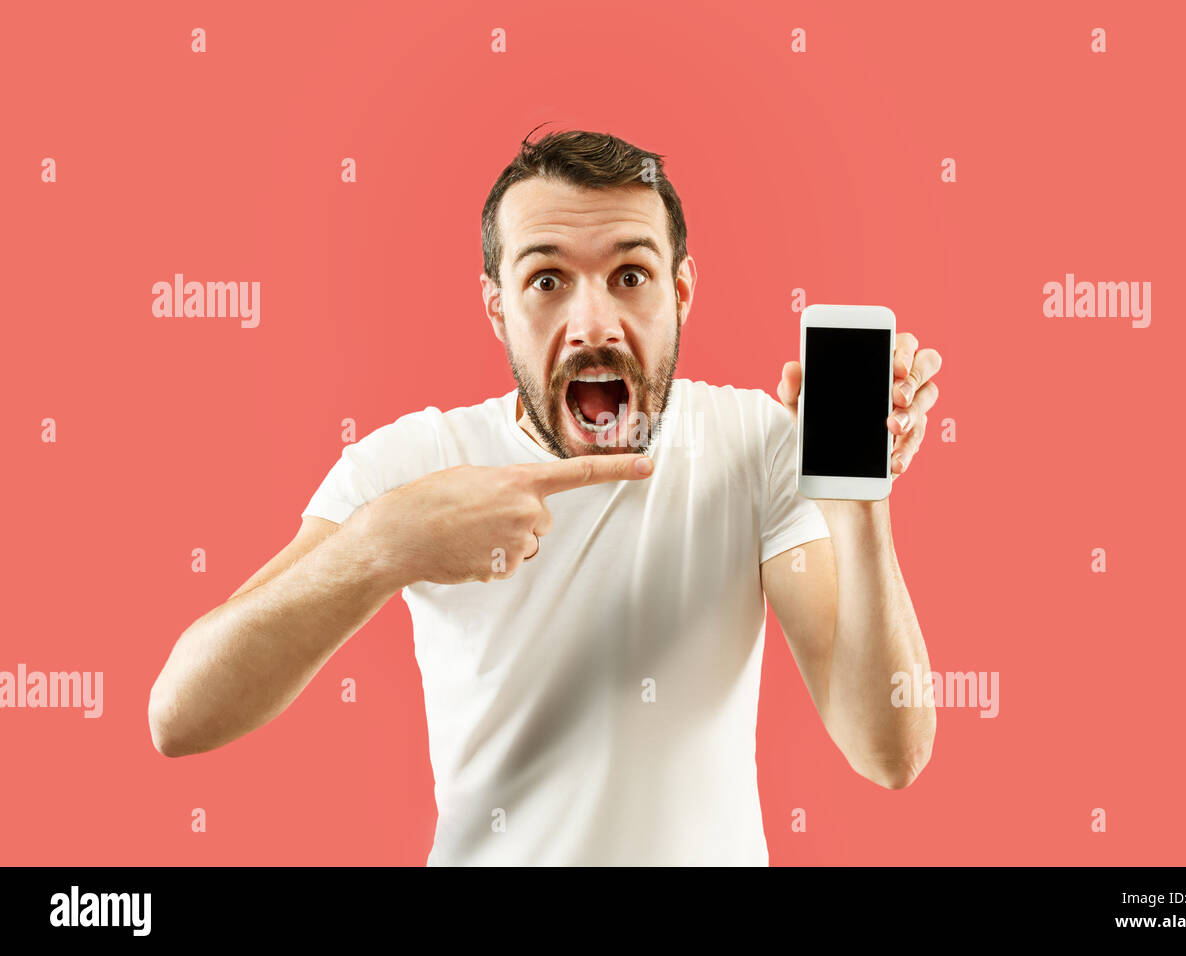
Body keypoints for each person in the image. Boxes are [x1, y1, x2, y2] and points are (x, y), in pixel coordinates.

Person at [148, 126, 942, 866]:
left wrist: (857, 503)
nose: (594, 324)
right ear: (498, 306)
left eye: (630, 275)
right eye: (548, 280)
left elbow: (889, 753)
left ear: (681, 291)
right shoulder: (417, 461)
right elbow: (181, 714)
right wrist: (384, 545)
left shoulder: (755, 442)